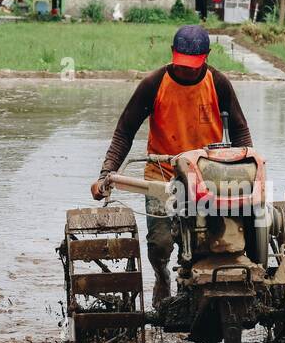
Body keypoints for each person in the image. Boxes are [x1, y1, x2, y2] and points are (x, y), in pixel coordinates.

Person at [91, 24, 252, 306]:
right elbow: (124, 131)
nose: (187, 71)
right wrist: (107, 173)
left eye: (193, 66)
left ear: (207, 56)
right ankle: (162, 276)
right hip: (161, 174)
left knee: (217, 239)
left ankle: (200, 284)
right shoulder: (154, 84)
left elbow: (240, 130)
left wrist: (246, 168)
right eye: (182, 65)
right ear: (172, 55)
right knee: (160, 242)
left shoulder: (218, 83)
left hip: (207, 176)